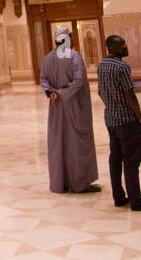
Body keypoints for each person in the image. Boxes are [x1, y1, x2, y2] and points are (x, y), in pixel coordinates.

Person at [97, 35, 141, 212]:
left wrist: (111, 106)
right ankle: (135, 200)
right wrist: (139, 116)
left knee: (115, 158)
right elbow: (129, 94)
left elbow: (100, 91)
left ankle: (118, 196)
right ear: (113, 48)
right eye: (122, 45)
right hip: (127, 121)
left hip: (110, 119)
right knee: (131, 161)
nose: (126, 47)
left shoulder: (101, 65)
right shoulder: (122, 67)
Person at [40, 26, 100, 194]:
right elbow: (79, 80)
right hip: (74, 105)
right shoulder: (74, 57)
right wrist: (62, 93)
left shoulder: (48, 58)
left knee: (59, 142)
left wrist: (52, 93)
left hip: (56, 107)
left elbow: (43, 79)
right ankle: (80, 183)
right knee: (76, 142)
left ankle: (60, 183)